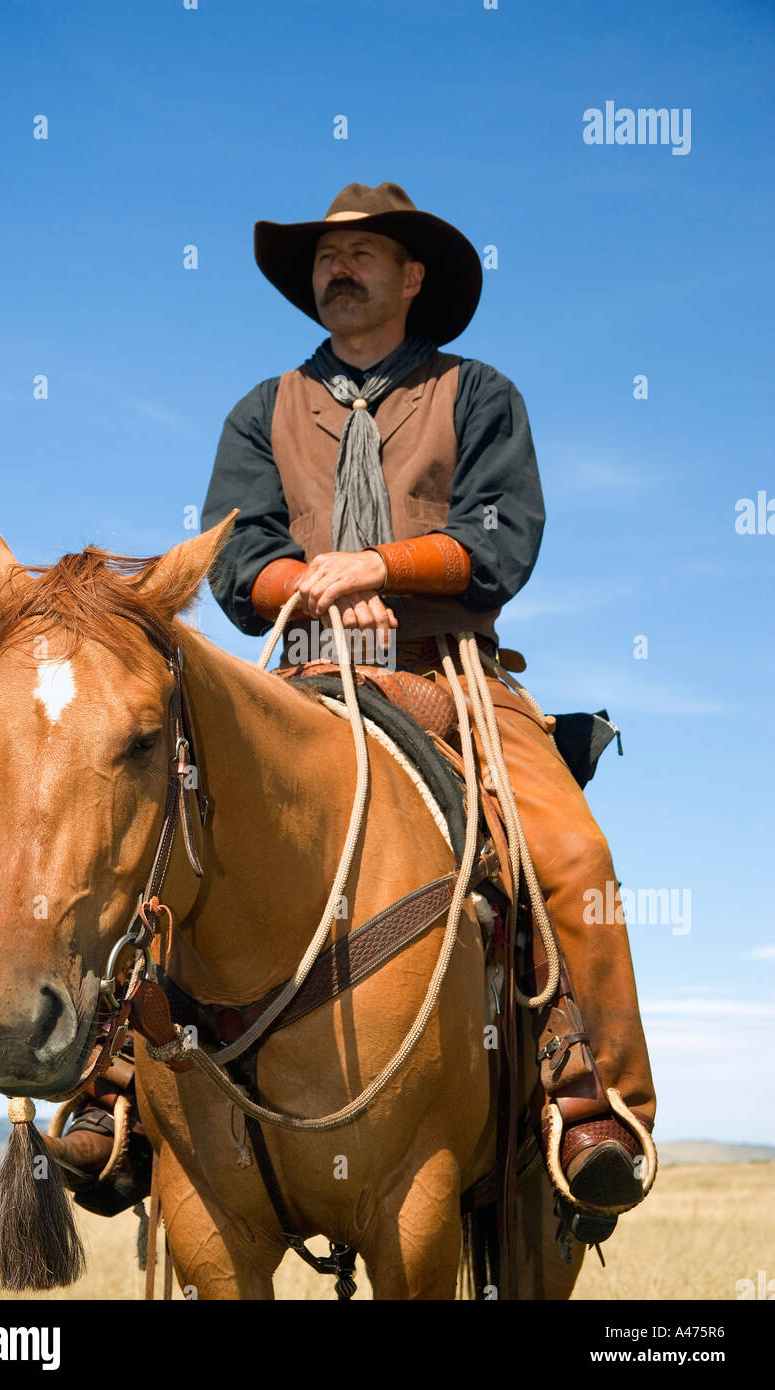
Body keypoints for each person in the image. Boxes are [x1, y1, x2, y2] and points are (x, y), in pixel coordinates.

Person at [201, 180, 656, 1215]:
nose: (336, 270)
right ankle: (112, 1101)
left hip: (449, 668)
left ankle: (600, 1106)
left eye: (359, 255)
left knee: (573, 856)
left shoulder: (478, 393)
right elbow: (238, 564)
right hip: (303, 671)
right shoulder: (259, 410)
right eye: (322, 257)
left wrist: (374, 567)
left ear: (411, 278)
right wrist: (317, 583)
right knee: (159, 816)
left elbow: (500, 540)